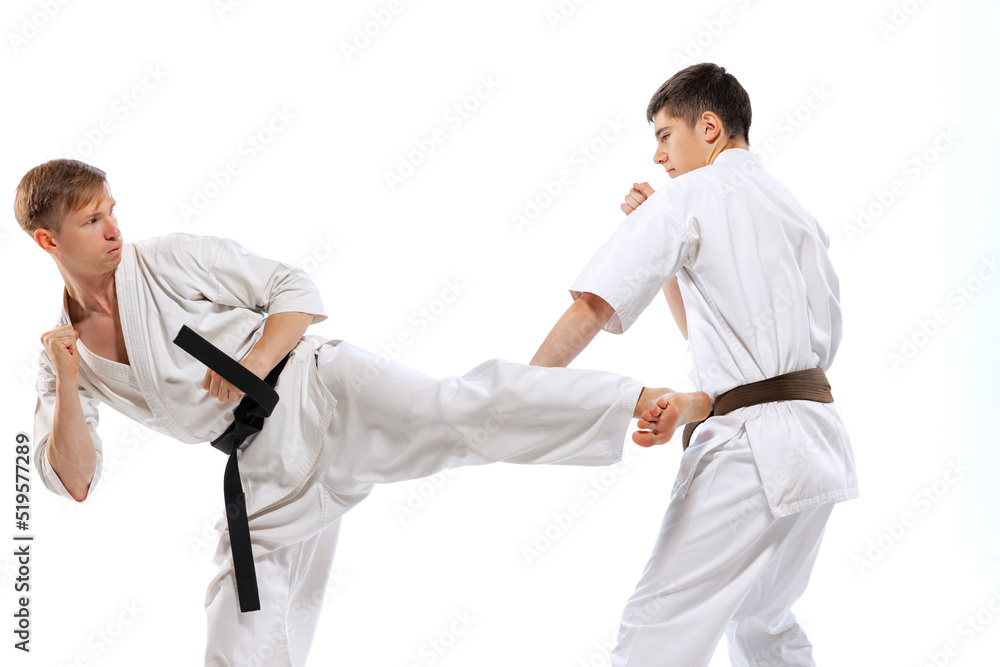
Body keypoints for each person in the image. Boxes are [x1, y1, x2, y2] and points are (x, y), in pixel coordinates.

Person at [16, 157, 710, 666]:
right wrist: (71, 380)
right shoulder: (60, 355)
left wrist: (253, 363)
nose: (113, 228)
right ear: (49, 242)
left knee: (460, 410)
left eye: (111, 209)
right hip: (262, 468)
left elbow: (298, 289)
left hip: (322, 385)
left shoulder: (165, 260)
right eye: (91, 219)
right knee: (239, 625)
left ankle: (633, 399)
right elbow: (73, 479)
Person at [530, 63, 858, 666]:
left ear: (708, 127)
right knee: (763, 623)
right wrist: (665, 238)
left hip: (752, 452)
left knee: (656, 629)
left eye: (663, 134)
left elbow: (595, 303)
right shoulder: (790, 208)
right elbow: (721, 336)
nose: (658, 155)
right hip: (817, 446)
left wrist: (522, 391)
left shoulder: (691, 196)